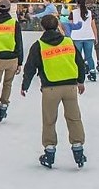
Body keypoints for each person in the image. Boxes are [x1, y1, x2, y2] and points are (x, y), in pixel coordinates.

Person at [20, 14, 89, 169]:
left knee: (49, 120)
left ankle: (49, 151)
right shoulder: (68, 42)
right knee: (74, 118)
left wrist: (25, 85)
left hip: (50, 88)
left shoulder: (39, 45)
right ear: (58, 25)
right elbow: (79, 62)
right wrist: (81, 81)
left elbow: (30, 67)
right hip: (70, 87)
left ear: (43, 27)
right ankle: (78, 149)